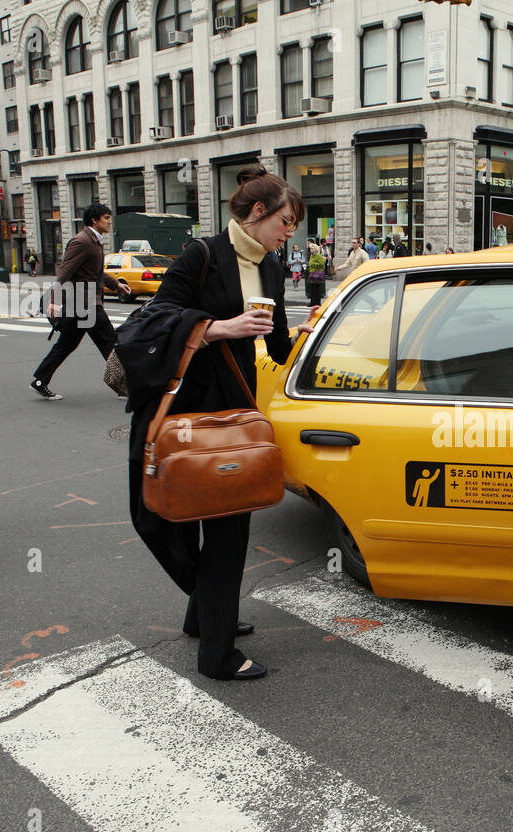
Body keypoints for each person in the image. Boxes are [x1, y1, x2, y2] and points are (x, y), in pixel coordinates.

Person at [117, 169, 308, 680]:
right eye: (285, 222)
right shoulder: (201, 255)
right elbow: (153, 319)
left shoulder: (270, 268)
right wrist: (220, 328)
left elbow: (279, 340)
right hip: (177, 406)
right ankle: (207, 607)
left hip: (232, 408)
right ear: (255, 213)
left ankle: (216, 647)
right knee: (155, 518)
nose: (289, 233)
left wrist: (309, 336)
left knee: (228, 524)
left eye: (293, 226)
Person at [30, 203, 131, 400]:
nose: (110, 221)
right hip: (85, 304)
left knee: (67, 344)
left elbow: (96, 272)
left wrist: (116, 285)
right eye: (106, 218)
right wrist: (53, 299)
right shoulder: (82, 241)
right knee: (110, 341)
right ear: (94, 220)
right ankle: (124, 386)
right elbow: (65, 272)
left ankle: (40, 380)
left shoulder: (93, 241)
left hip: (84, 303)